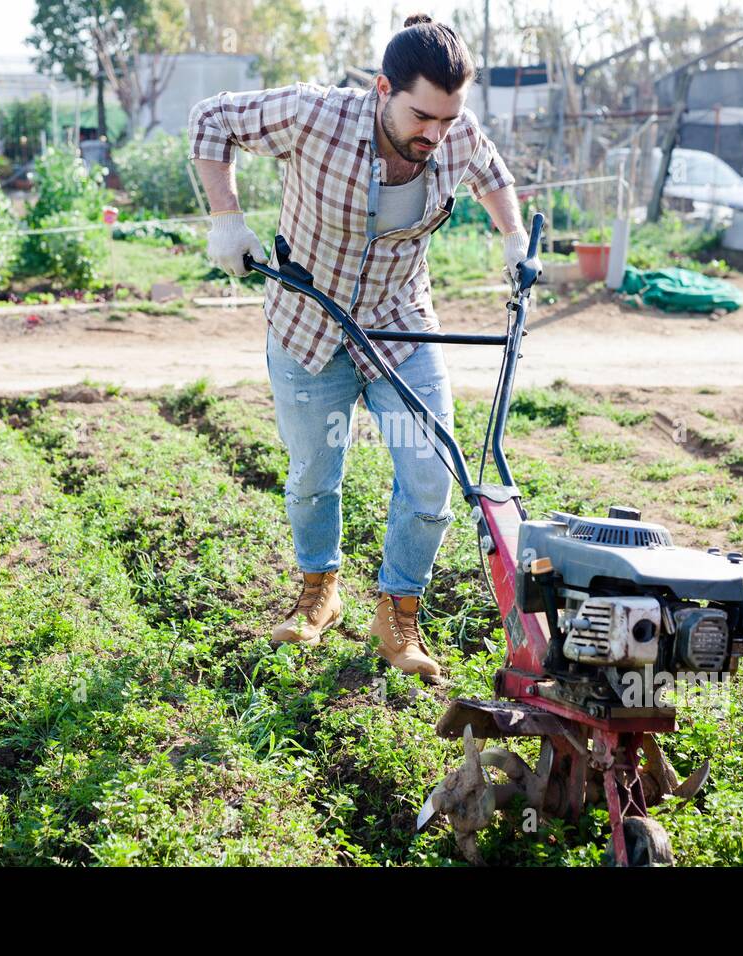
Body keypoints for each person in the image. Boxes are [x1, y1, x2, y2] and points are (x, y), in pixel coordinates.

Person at [189, 14, 529, 678]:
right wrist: (227, 217)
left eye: (449, 120)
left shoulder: (453, 137)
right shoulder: (314, 113)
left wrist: (513, 236)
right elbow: (210, 120)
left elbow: (491, 174)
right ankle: (320, 592)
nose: (435, 133)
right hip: (308, 323)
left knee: (430, 476)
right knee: (314, 476)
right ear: (382, 89)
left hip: (401, 323)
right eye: (423, 116)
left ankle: (398, 613)